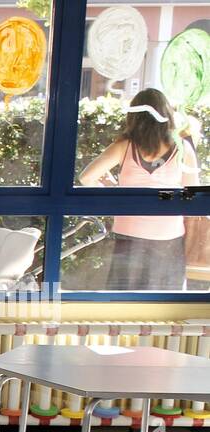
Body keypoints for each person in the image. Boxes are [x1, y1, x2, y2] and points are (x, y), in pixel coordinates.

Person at [78, 88, 199, 291]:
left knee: (126, 300)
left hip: (129, 232)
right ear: (167, 114)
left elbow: (86, 178)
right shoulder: (182, 148)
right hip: (168, 234)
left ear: (133, 115)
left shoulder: (125, 146)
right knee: (164, 305)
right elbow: (193, 193)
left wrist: (115, 191)